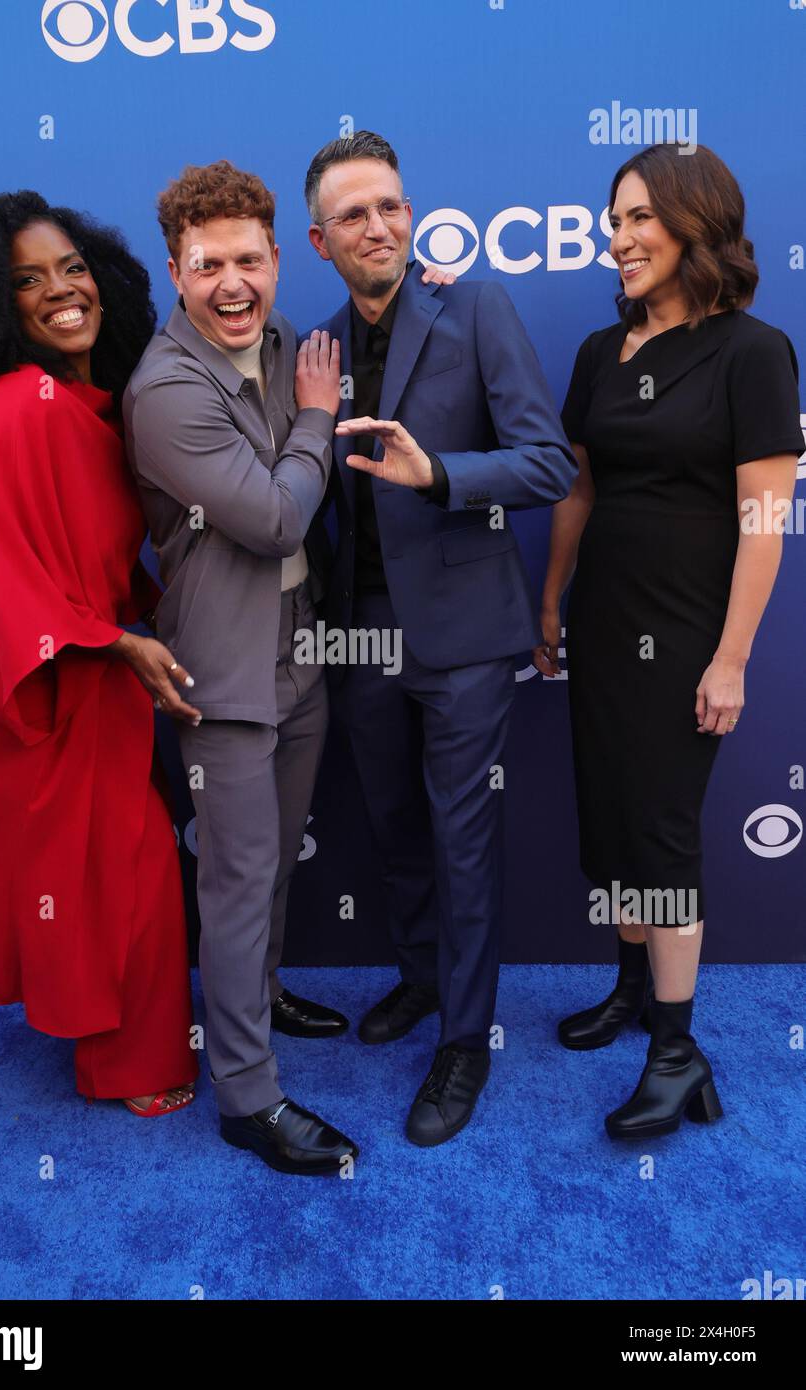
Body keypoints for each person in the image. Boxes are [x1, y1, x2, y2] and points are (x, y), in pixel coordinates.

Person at [303, 131, 577, 1147]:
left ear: (409, 213)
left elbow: (547, 462)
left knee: (462, 838)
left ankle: (466, 1041)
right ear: (320, 239)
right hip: (358, 635)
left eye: (392, 206)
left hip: (462, 634)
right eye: (354, 215)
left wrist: (443, 475)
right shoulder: (315, 346)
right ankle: (421, 980)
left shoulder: (473, 306)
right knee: (393, 825)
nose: (379, 226)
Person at [0, 192, 200, 1116]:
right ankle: (133, 1064)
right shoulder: (14, 410)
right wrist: (116, 641)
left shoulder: (83, 402)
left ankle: (110, 1036)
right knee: (127, 860)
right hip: (18, 669)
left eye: (73, 267)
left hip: (74, 651)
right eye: (27, 280)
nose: (62, 290)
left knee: (117, 858)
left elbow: (88, 548)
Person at [534, 143, 802, 1139]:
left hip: (687, 630)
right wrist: (552, 596)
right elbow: (580, 484)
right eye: (614, 218)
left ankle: (678, 1052)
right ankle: (633, 988)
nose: (621, 237)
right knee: (611, 819)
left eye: (641, 216)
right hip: (604, 617)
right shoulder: (605, 355)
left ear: (696, 222)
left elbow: (765, 522)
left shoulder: (753, 351)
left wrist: (730, 657)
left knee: (660, 834)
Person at [123, 161, 359, 1174]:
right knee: (236, 878)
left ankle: (252, 999)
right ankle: (247, 1097)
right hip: (222, 669)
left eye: (248, 259)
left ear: (275, 258)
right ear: (175, 271)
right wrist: (316, 415)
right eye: (207, 263)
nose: (232, 281)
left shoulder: (273, 343)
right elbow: (268, 518)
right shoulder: (165, 386)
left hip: (301, 644)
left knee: (269, 871)